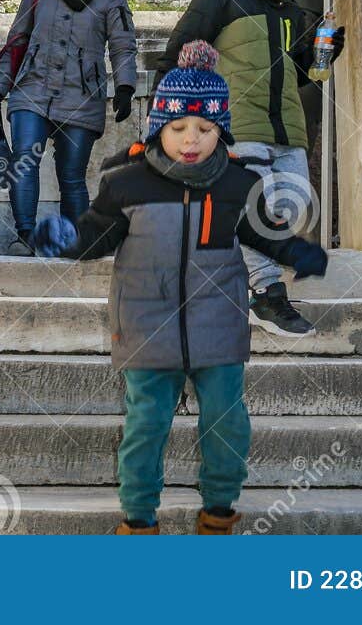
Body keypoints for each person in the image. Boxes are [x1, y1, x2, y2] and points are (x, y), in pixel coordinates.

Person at [35, 41, 327, 534]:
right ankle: (138, 517)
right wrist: (65, 240)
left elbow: (261, 232)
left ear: (221, 130)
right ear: (158, 127)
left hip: (219, 324)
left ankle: (219, 508)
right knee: (146, 423)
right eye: (178, 128)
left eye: (205, 129)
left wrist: (298, 253)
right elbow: (97, 235)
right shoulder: (127, 182)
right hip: (146, 324)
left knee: (226, 421)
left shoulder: (237, 184)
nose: (191, 139)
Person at [158, 0, 344, 336]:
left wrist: (324, 49)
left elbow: (303, 74)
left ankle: (221, 265)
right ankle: (266, 295)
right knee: (255, 211)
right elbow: (178, 55)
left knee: (291, 208)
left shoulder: (292, 11)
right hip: (236, 124)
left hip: (287, 130)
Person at [0, 0, 138, 254]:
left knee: (71, 174)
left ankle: (76, 242)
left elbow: (123, 45)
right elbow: (17, 40)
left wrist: (125, 87)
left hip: (82, 95)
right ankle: (25, 235)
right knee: (24, 159)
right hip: (32, 88)